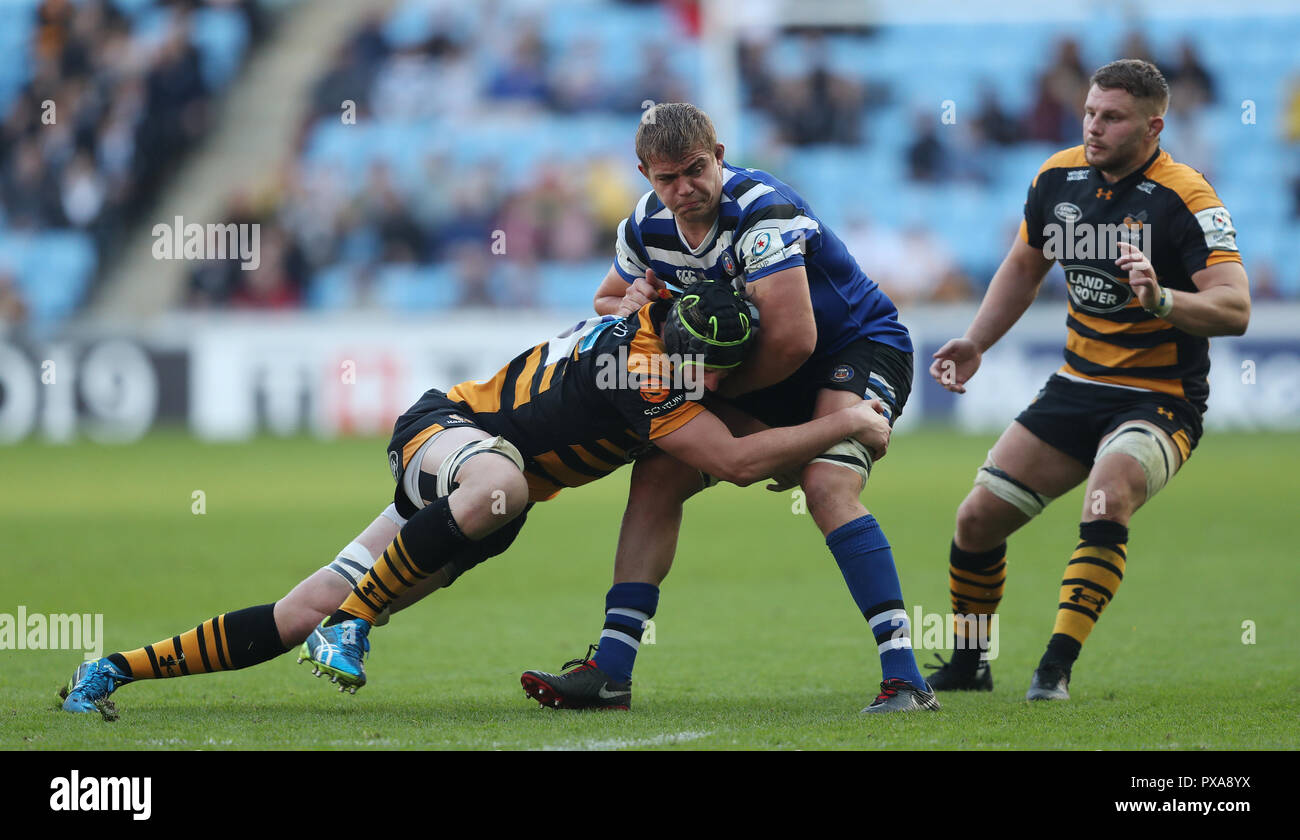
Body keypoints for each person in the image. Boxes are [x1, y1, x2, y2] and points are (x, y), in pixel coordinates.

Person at [58, 283, 894, 718]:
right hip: (448, 434)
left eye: (717, 372)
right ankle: (359, 623)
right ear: (676, 342)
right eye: (698, 367)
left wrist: (811, 436)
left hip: (469, 501)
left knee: (299, 611)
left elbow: (746, 445)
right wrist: (848, 421)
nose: (704, 383)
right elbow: (744, 463)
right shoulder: (648, 372)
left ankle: (114, 670)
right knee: (503, 490)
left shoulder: (661, 327)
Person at [522, 102, 937, 714]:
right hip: (751, 372)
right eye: (667, 179)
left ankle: (905, 676)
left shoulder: (763, 212)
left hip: (854, 349)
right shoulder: (643, 226)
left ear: (718, 155)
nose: (685, 189)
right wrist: (634, 303)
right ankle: (611, 670)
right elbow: (607, 300)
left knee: (825, 484)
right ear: (645, 175)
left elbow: (796, 339)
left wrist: (709, 397)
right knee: (659, 473)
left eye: (695, 170)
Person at [925, 59, 1248, 700]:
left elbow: (1235, 308)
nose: (1094, 127)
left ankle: (1054, 668)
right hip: (1078, 383)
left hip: (1161, 397)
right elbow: (1023, 265)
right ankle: (969, 665)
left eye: (1112, 117)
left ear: (1154, 126)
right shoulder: (1057, 176)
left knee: (1108, 494)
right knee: (976, 521)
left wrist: (1166, 303)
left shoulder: (1189, 198)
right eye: (1090, 112)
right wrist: (977, 340)